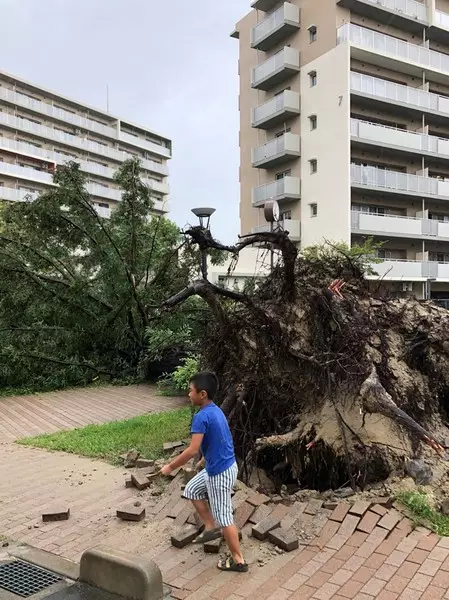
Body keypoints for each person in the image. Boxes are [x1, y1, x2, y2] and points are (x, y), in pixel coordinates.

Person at [160, 371, 248, 573]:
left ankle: (238, 560)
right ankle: (210, 527)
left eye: (190, 391)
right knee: (191, 489)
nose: (188, 395)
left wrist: (170, 467)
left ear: (203, 394)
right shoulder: (216, 411)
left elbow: (192, 448)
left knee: (225, 517)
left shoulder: (201, 417)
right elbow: (221, 440)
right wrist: (204, 459)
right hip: (222, 466)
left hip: (219, 473)